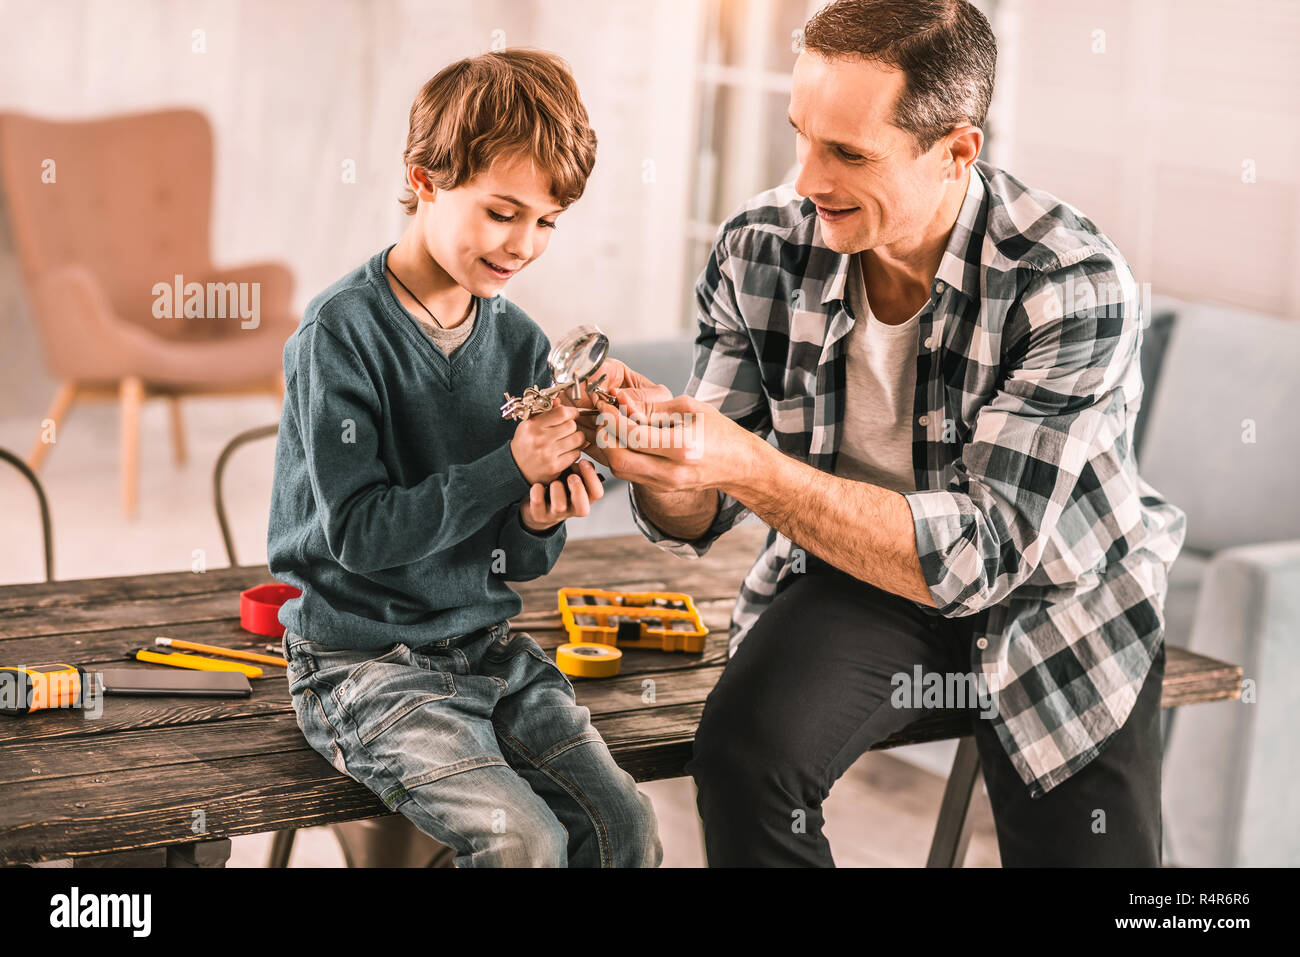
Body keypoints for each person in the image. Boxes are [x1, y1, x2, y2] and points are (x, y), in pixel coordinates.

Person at [580, 0, 1185, 866]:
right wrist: (668, 466)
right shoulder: (761, 248)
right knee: (744, 756)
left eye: (848, 154)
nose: (805, 181)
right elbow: (698, 515)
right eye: (801, 136)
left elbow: (986, 555)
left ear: (957, 151)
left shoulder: (1070, 281)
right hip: (858, 574)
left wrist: (750, 464)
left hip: (1055, 598)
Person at [267, 48, 661, 868]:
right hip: (359, 662)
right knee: (523, 842)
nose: (523, 244)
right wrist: (508, 468)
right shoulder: (339, 335)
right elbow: (361, 537)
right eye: (501, 212)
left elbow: (514, 561)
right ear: (422, 180)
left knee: (626, 825)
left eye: (547, 221)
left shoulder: (518, 343)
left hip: (482, 648)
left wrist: (534, 515)